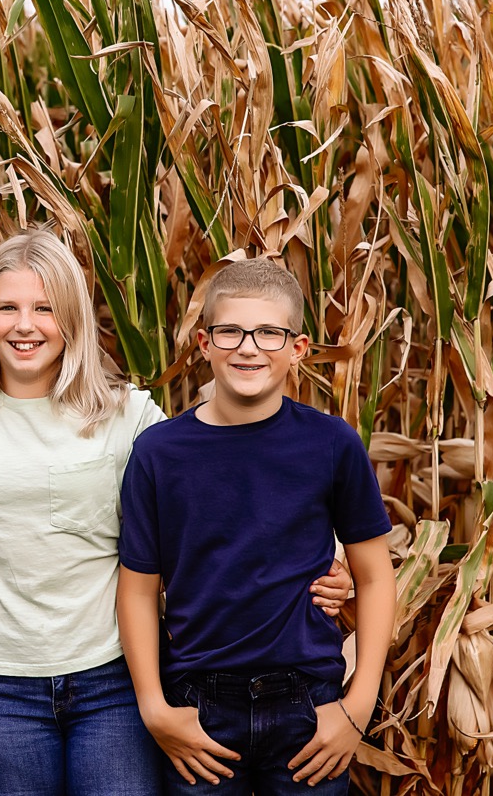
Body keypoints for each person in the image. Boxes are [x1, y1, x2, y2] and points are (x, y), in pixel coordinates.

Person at [0, 233, 351, 796]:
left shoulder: (128, 416)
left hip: (112, 676)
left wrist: (332, 559)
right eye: (8, 307)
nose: (25, 325)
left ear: (73, 317)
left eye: (45, 307)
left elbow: (220, 485)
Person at [117, 257, 396, 795]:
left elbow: (376, 577)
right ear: (203, 343)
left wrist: (357, 707)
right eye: (231, 332)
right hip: (198, 704)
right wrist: (154, 708)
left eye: (270, 333)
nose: (248, 347)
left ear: (298, 348)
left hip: (308, 706)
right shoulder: (159, 452)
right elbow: (137, 588)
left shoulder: (332, 443)